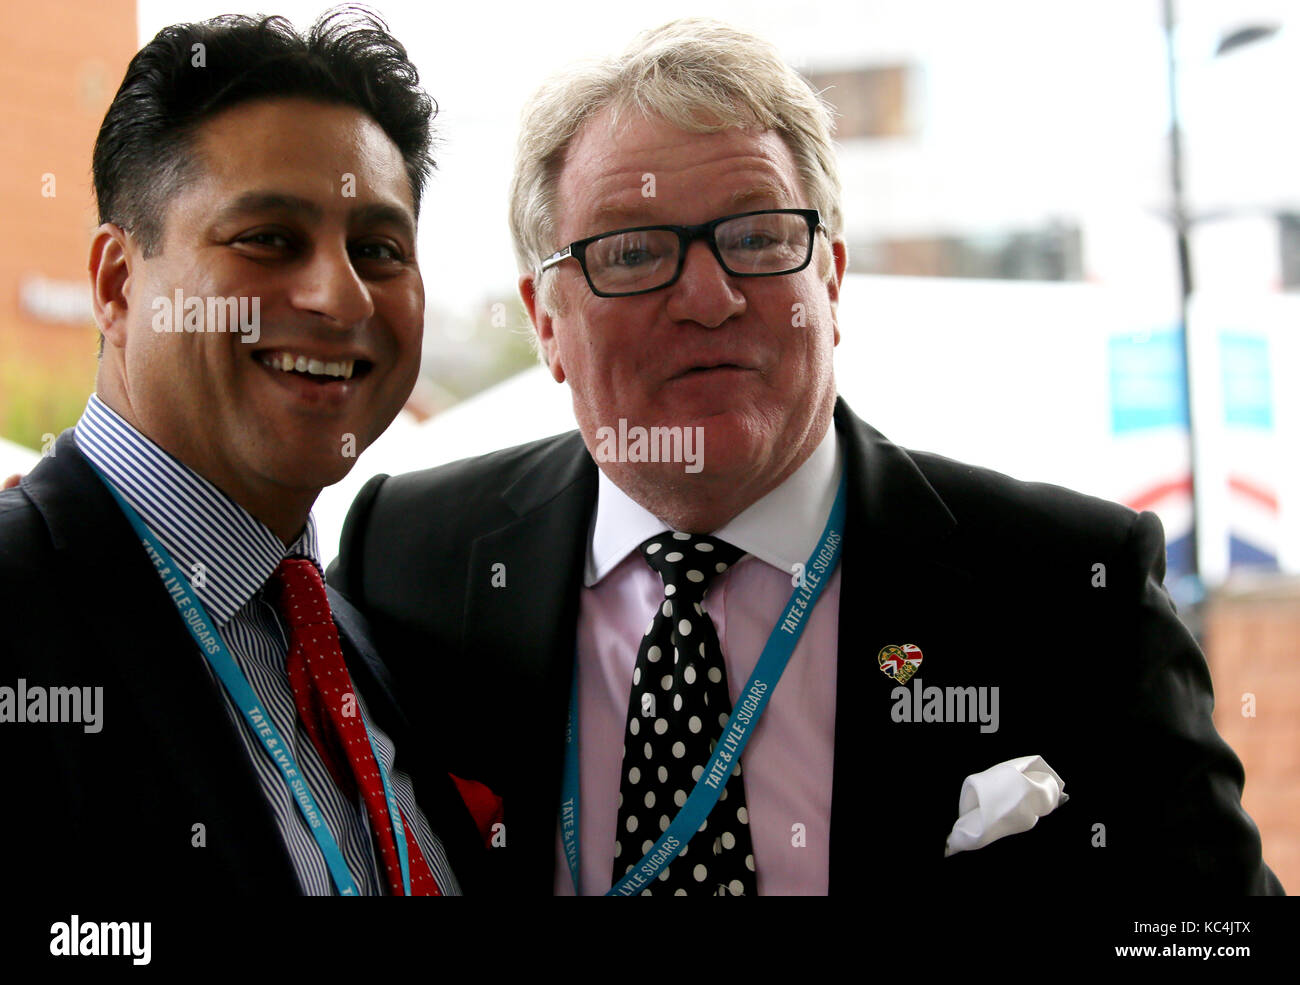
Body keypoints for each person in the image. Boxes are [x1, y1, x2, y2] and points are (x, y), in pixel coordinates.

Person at [329, 18, 1281, 897]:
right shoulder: (409, 561)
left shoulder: (1069, 589)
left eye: (757, 237)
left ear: (829, 277)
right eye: (631, 253)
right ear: (545, 320)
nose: (709, 296)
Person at [0, 9, 490, 896]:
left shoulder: (363, 642)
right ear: (117, 284)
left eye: (378, 250)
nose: (341, 297)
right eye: (269, 238)